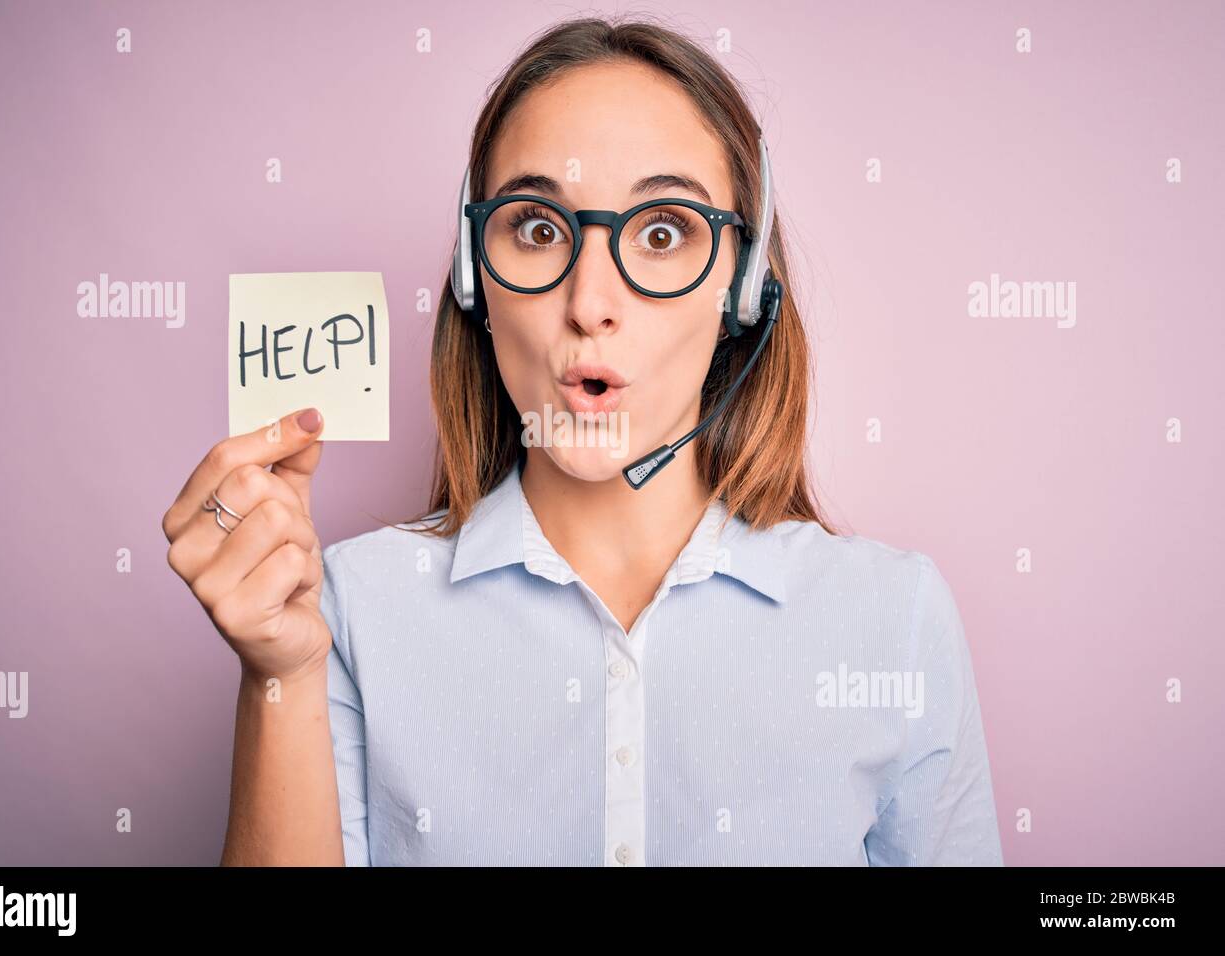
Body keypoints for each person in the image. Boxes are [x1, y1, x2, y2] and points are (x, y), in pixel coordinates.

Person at [162, 16, 1003, 866]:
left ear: (743, 288)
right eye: (536, 229)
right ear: (472, 278)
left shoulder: (892, 620)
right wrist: (282, 671)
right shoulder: (344, 611)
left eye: (663, 231)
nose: (590, 300)